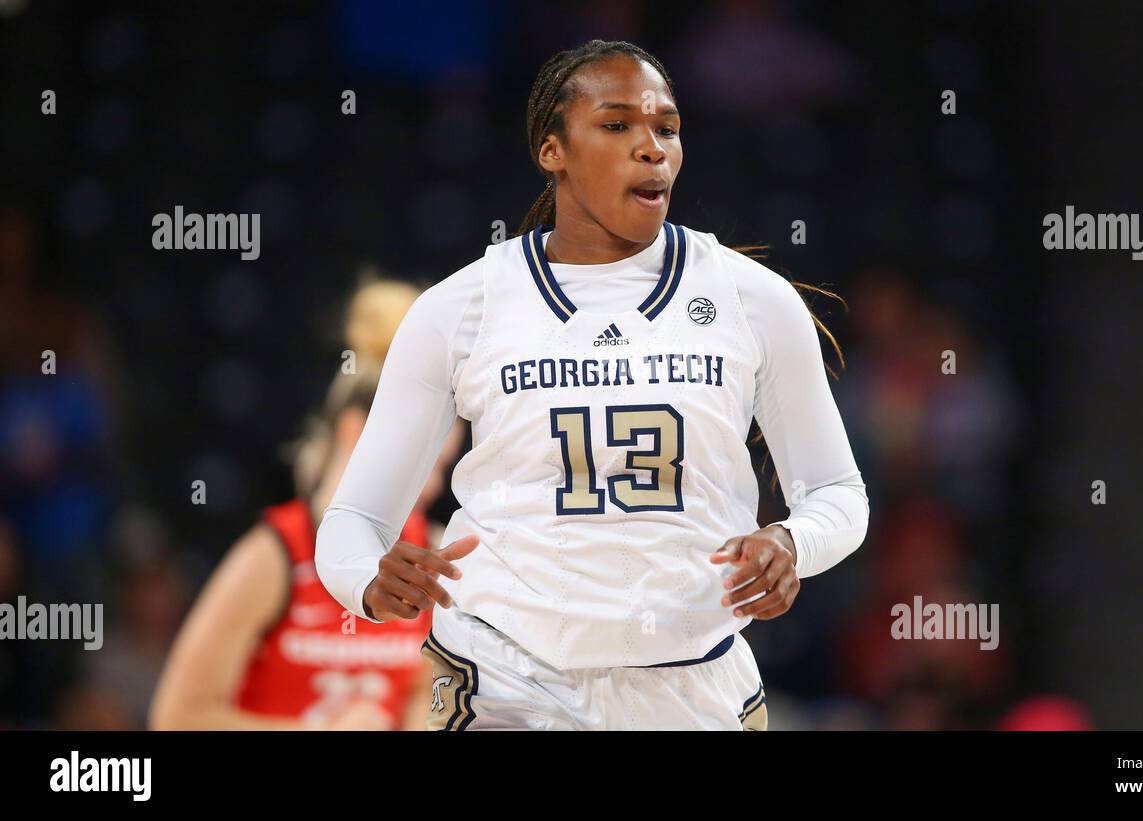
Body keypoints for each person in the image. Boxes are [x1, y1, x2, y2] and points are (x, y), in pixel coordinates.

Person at [316, 40, 869, 730]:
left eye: (665, 127)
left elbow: (838, 494)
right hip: (504, 676)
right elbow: (353, 520)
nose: (652, 147)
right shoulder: (464, 307)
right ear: (553, 151)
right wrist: (370, 580)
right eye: (617, 125)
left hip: (692, 680)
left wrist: (791, 542)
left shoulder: (751, 297)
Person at [150, 279, 464, 730]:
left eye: (443, 466)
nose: (434, 487)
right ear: (358, 434)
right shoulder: (274, 556)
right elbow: (177, 718)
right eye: (426, 466)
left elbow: (430, 701)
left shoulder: (429, 556)